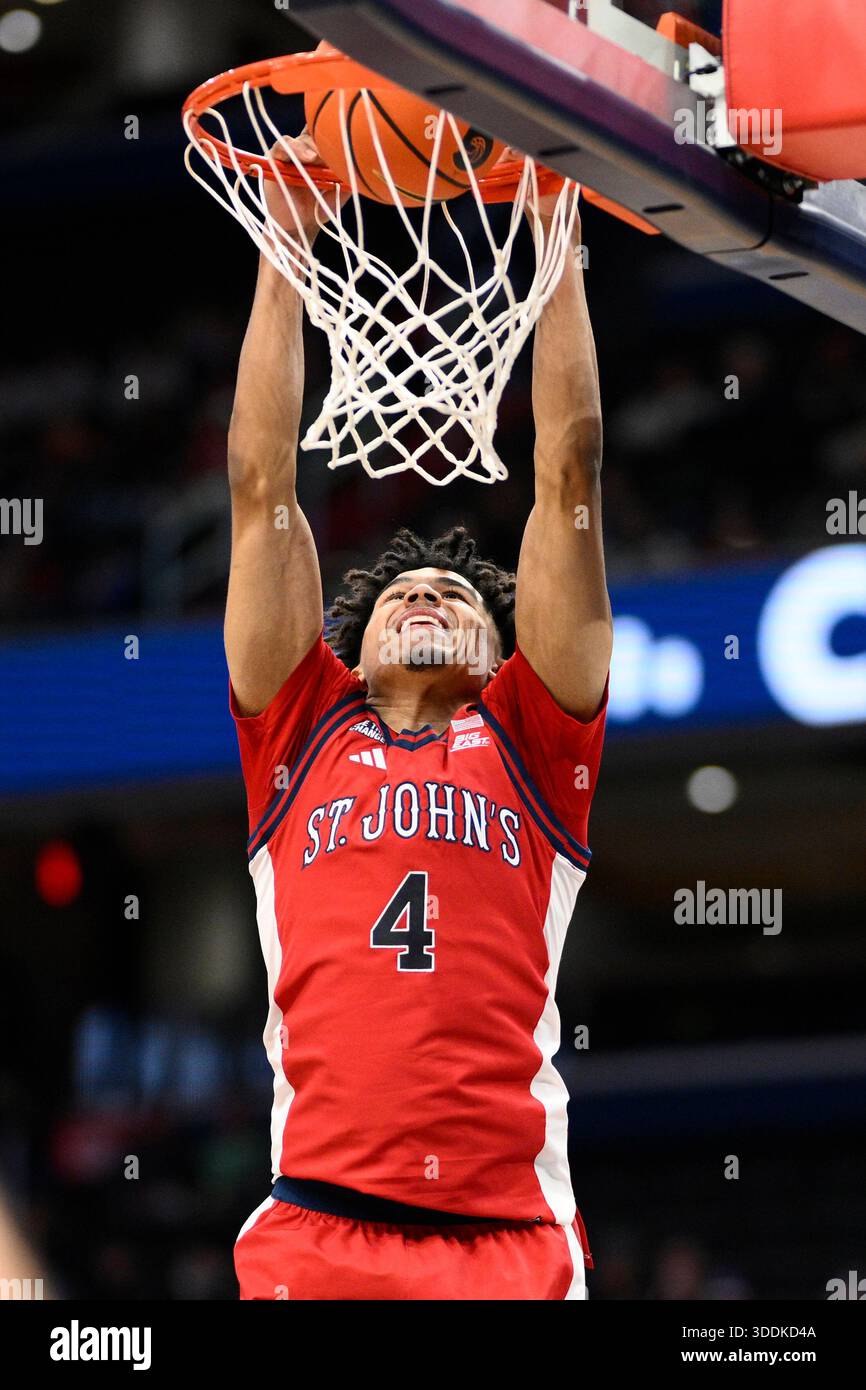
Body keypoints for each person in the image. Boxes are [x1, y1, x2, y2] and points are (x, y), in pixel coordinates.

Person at [226, 131, 612, 1300]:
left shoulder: (534, 742)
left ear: (504, 660)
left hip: (509, 1238)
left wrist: (555, 237)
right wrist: (283, 248)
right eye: (401, 593)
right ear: (352, 649)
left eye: (454, 593)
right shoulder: (300, 734)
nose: (428, 593)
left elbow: (570, 472)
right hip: (318, 1223)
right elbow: (257, 491)